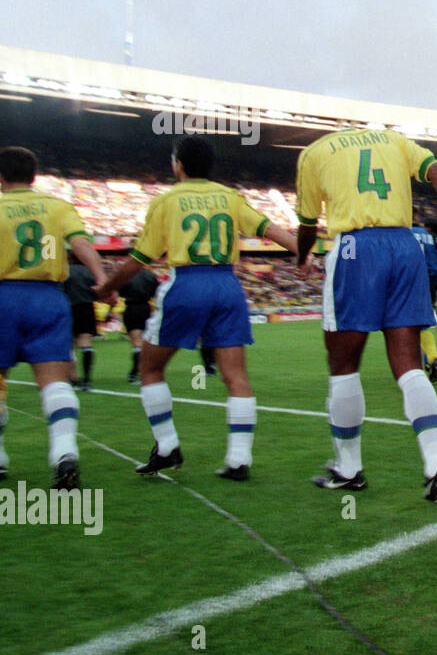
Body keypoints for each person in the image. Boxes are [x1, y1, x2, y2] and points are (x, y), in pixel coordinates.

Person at [95, 136, 298, 482]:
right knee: (236, 376)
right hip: (227, 286)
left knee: (150, 368)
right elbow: (270, 228)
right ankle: (238, 460)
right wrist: (304, 253)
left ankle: (167, 446)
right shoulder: (230, 197)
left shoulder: (167, 200)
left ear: (178, 164)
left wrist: (106, 288)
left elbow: (138, 261)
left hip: (187, 284)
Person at [294, 124, 437, 501]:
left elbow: (307, 224)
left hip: (355, 247)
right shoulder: (394, 140)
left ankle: (349, 469)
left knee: (343, 365)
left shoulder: (315, 152)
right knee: (408, 365)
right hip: (404, 247)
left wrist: (303, 255)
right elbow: (436, 169)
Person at [0, 146, 107, 489]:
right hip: (48, 298)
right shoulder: (58, 206)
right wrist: (102, 278)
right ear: (34, 176)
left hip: (2, 296)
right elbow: (80, 244)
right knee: (55, 382)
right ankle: (64, 452)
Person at [412, 218, 437, 381]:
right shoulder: (427, 235)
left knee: (406, 329)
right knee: (422, 326)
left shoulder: (403, 232)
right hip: (428, 281)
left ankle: (419, 373)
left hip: (409, 280)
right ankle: (432, 357)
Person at [120, 265, 158, 385]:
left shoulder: (127, 274)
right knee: (145, 340)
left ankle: (135, 373)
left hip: (131, 307)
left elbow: (120, 291)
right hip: (146, 308)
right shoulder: (150, 275)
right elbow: (156, 292)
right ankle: (141, 372)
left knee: (136, 342)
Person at [64, 258, 97, 390]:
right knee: (86, 342)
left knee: (68, 343)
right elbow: (96, 289)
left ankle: (72, 377)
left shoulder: (66, 271)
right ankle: (87, 380)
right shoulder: (90, 272)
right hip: (87, 307)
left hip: (68, 307)